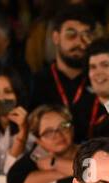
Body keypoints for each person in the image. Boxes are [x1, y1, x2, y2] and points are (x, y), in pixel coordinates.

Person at [28, 5, 98, 136]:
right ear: (56, 37)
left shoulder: (100, 79)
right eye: (71, 35)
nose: (79, 42)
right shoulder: (37, 82)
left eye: (86, 35)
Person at [5, 105, 77, 183]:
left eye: (64, 126)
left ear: (72, 128)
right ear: (38, 141)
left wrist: (55, 163)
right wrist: (66, 173)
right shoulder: (39, 154)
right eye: (48, 132)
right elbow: (14, 181)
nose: (58, 135)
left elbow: (93, 172)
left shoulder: (90, 149)